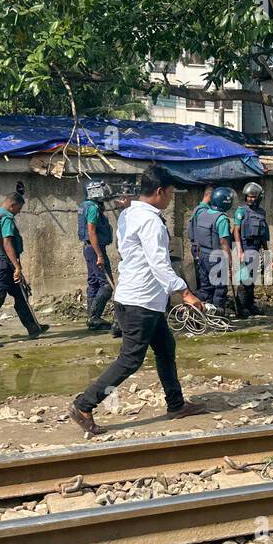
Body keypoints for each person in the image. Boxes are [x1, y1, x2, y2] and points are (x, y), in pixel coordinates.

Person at [70, 165, 208, 435]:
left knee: (166, 349)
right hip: (140, 302)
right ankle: (84, 404)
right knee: (130, 360)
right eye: (169, 194)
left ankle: (176, 404)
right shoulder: (150, 221)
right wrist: (185, 292)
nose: (170, 200)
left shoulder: (130, 213)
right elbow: (159, 263)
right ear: (159, 192)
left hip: (144, 300)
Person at [0, 192, 47, 348]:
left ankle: (33, 328)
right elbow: (7, 243)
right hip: (4, 264)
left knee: (20, 293)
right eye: (19, 208)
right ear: (12, 205)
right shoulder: (6, 218)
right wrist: (17, 266)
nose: (19, 212)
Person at [79, 180, 117, 332]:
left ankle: (92, 319)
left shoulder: (85, 205)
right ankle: (94, 317)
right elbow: (92, 231)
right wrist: (99, 255)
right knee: (106, 285)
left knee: (94, 283)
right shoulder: (93, 208)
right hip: (95, 249)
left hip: (89, 248)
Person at [191, 186, 235, 312]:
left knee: (205, 287)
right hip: (216, 258)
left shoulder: (202, 213)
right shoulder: (222, 219)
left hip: (203, 255)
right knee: (220, 287)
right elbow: (223, 242)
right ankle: (217, 316)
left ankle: (200, 312)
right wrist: (229, 261)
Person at [233, 181, 269, 317]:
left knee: (252, 278)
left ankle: (249, 305)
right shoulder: (241, 211)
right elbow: (236, 231)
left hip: (256, 247)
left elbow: (263, 234)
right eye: (249, 196)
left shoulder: (261, 212)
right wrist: (240, 251)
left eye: (254, 196)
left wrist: (266, 251)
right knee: (244, 279)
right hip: (245, 246)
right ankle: (241, 308)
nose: (251, 199)